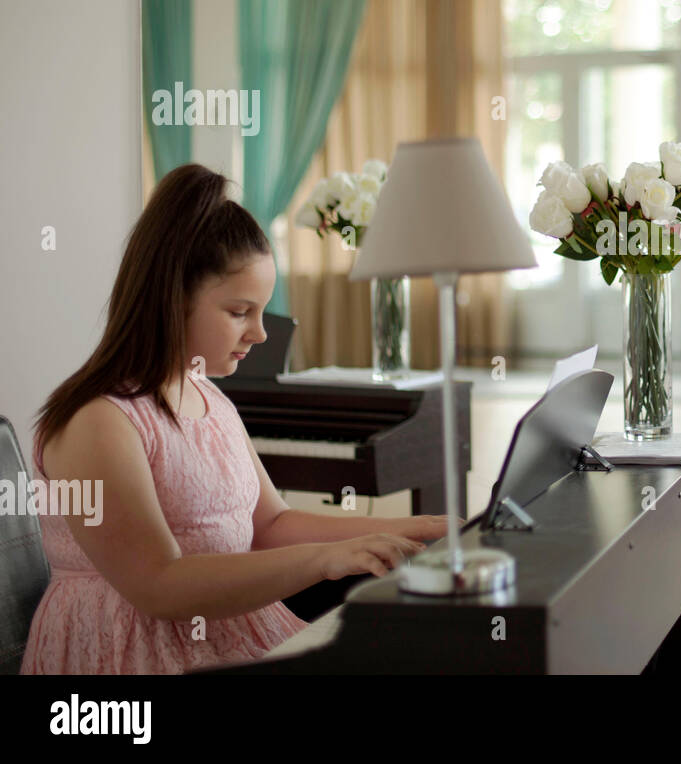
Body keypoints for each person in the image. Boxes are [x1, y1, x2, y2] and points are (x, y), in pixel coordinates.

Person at [21, 164, 455, 674]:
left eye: (261, 311)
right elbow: (159, 585)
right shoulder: (98, 422)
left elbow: (270, 524)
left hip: (227, 629)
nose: (260, 334)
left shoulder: (208, 396)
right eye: (239, 312)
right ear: (171, 297)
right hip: (129, 654)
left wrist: (421, 529)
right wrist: (326, 560)